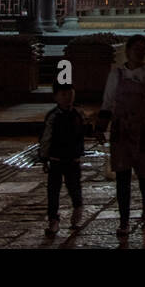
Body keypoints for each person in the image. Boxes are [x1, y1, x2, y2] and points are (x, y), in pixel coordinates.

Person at [95, 34, 145, 237]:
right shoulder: (116, 75)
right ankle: (124, 219)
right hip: (121, 130)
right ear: (128, 51)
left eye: (143, 48)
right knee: (122, 175)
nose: (140, 52)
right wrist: (100, 127)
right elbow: (107, 101)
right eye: (136, 48)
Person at [39, 82, 85, 236]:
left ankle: (77, 213)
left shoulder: (78, 114)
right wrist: (44, 157)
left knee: (75, 188)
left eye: (70, 94)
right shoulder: (53, 116)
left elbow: (81, 136)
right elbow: (46, 137)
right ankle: (53, 220)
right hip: (56, 159)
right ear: (56, 97)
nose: (68, 98)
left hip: (73, 159)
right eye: (64, 95)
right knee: (53, 191)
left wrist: (80, 153)